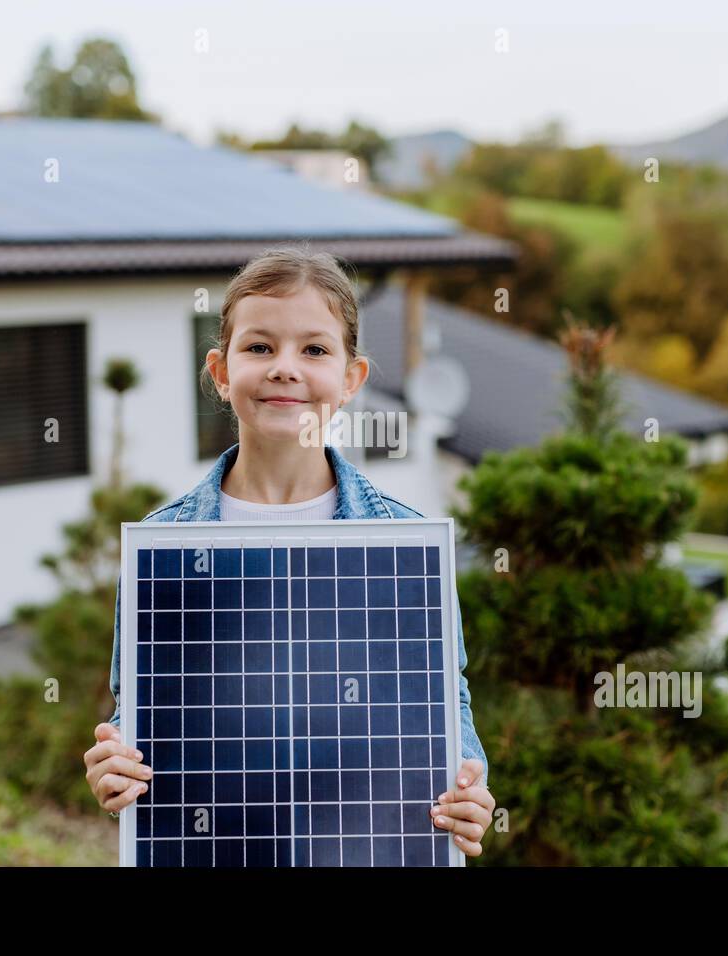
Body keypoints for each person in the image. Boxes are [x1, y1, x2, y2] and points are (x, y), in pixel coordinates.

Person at [83, 247, 494, 859]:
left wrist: (469, 785)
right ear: (220, 373)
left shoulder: (405, 547)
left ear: (351, 380)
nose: (284, 368)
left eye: (315, 349)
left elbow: (441, 700)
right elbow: (140, 708)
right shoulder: (163, 548)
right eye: (259, 347)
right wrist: (114, 767)